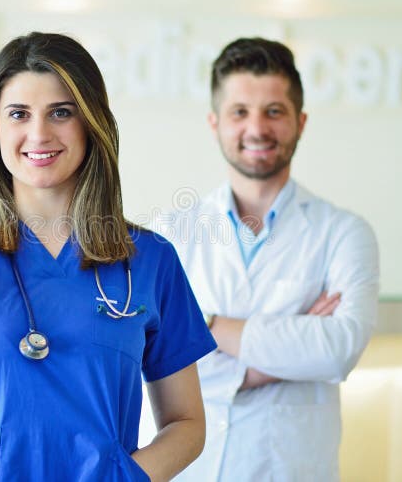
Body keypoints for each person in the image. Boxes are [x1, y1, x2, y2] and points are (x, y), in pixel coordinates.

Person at [0, 32, 217, 482]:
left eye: (61, 112)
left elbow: (186, 423)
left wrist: (125, 477)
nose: (39, 133)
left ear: (91, 123)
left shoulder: (150, 260)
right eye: (18, 114)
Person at [154, 37, 380, 481]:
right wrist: (294, 348)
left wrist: (205, 326)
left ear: (301, 121)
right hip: (191, 469)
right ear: (215, 122)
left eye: (274, 111)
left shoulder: (344, 233)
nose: (256, 128)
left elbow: (338, 350)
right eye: (240, 112)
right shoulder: (170, 234)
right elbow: (154, 364)